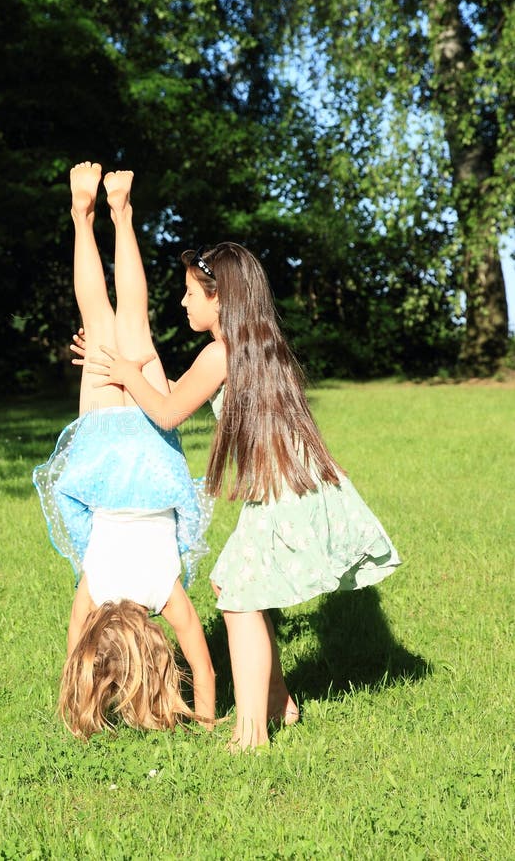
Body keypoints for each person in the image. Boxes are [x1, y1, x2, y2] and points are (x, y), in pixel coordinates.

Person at [82, 241, 401, 750]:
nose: (183, 303)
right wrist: (124, 369)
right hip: (299, 486)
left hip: (285, 494)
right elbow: (174, 391)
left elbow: (165, 413)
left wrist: (124, 375)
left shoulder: (220, 353)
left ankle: (252, 733)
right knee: (236, 589)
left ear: (220, 298)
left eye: (190, 293)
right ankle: (278, 703)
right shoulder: (254, 346)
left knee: (237, 595)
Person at [33, 162, 215, 737]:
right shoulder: (96, 584)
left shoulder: (166, 591)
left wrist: (207, 720)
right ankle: (87, 216)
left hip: (151, 458)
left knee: (129, 321)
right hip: (102, 457)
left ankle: (119, 211)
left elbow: (204, 669)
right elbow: (73, 646)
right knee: (104, 317)